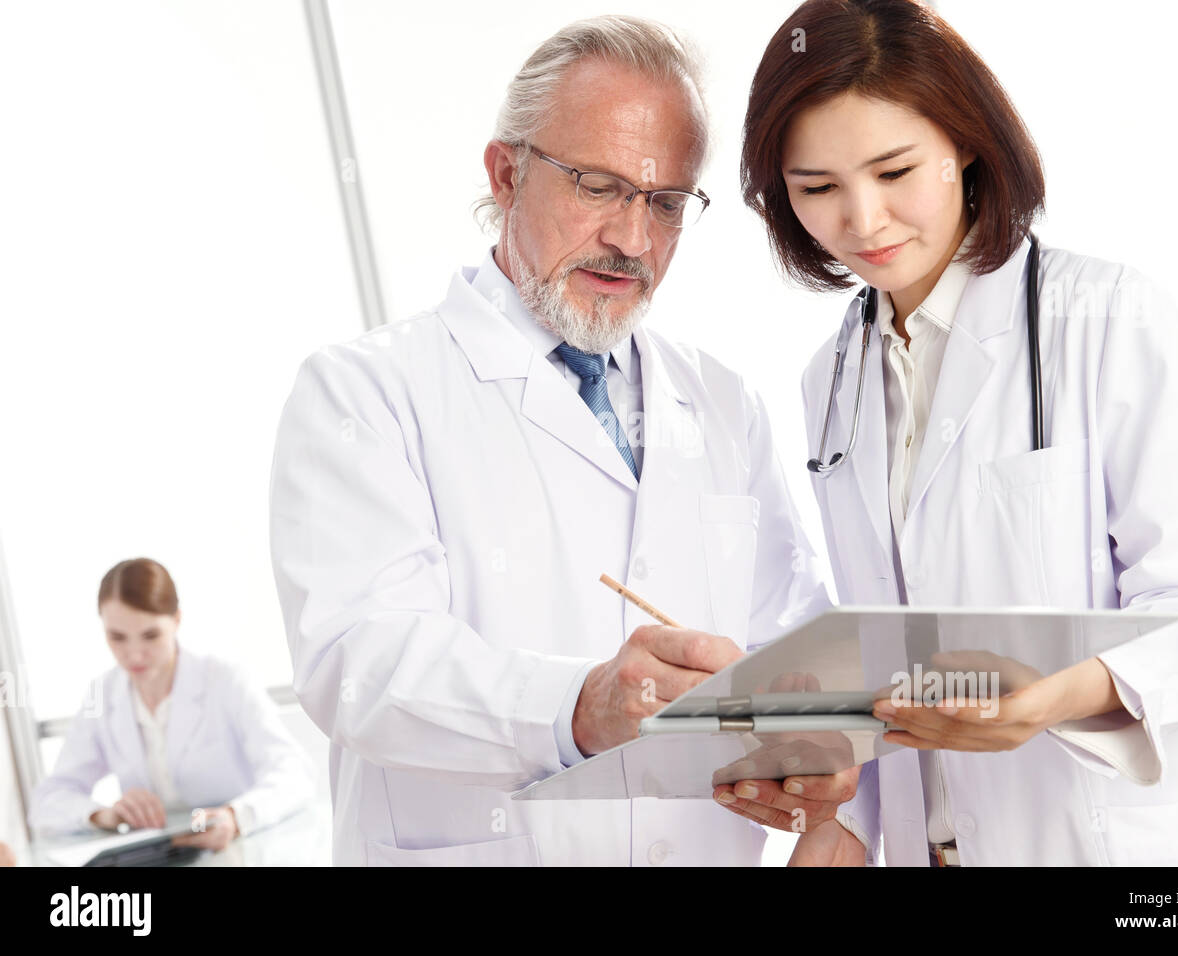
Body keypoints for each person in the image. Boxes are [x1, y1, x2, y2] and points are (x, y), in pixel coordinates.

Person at [719, 0, 1178, 866]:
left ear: (963, 142)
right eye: (818, 189)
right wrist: (823, 795)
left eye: (894, 170)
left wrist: (1056, 698)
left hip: (1124, 852)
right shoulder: (831, 380)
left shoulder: (1104, 318)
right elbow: (888, 643)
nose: (864, 221)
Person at [268, 15, 853, 867]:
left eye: (664, 202)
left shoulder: (723, 403)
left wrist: (815, 749)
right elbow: (359, 663)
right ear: (506, 175)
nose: (633, 239)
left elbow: (787, 642)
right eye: (597, 186)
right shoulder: (365, 392)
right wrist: (581, 705)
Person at [28, 558, 315, 851]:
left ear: (177, 620)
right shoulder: (102, 695)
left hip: (241, 850)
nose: (134, 655)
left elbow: (295, 774)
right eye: (117, 638)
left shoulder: (225, 681)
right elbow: (47, 802)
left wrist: (235, 816)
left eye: (150, 636)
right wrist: (104, 815)